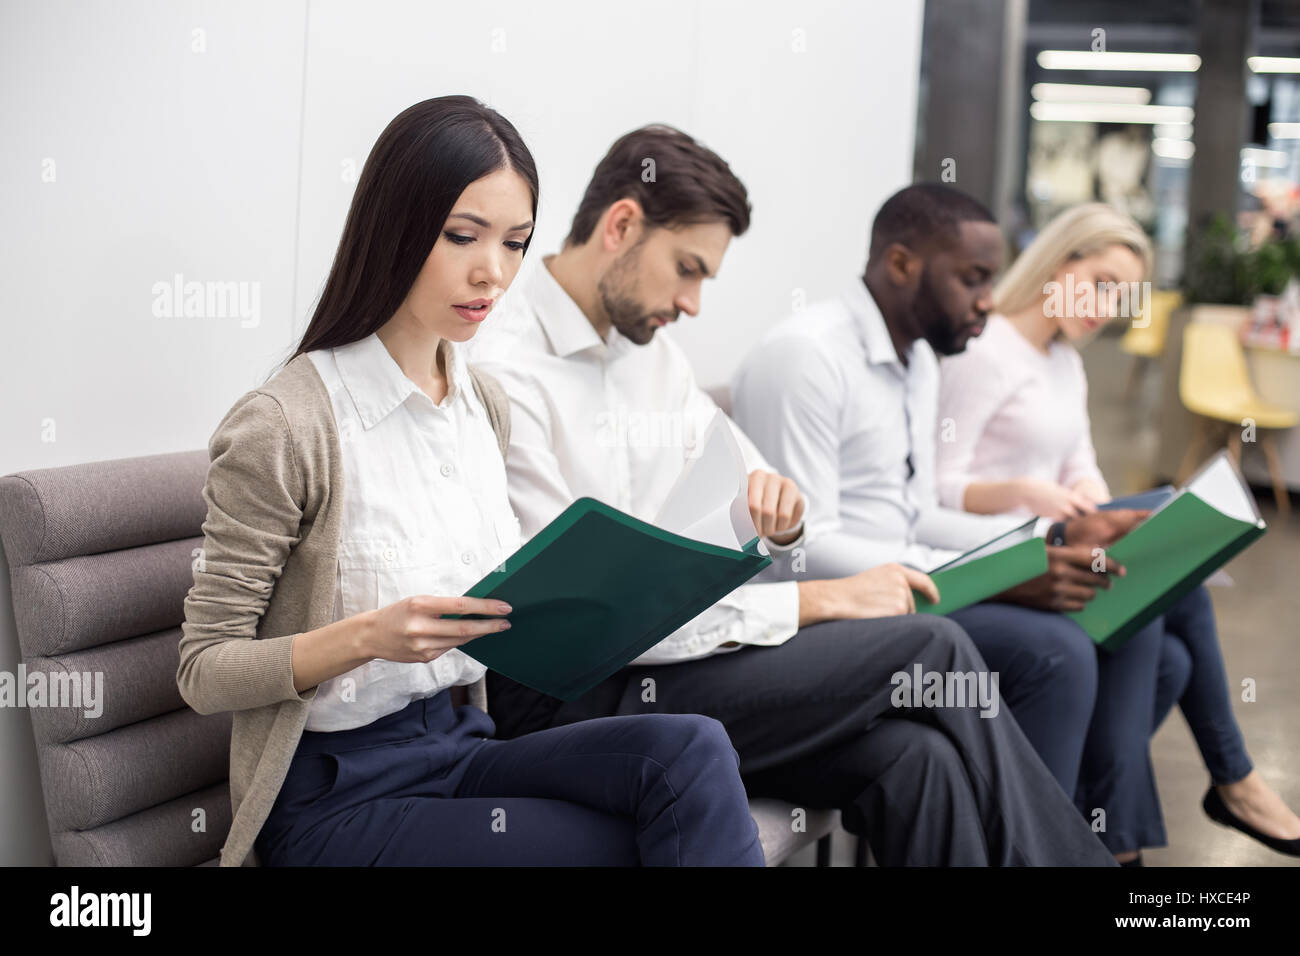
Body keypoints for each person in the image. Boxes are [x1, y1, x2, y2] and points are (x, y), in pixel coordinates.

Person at [467, 125, 1118, 866]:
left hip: (679, 662)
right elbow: (591, 622)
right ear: (620, 226)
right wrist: (818, 601)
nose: (694, 302)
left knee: (917, 761)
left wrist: (776, 512)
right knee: (932, 647)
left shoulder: (653, 358)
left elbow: (767, 500)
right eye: (688, 269)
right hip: (576, 695)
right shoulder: (506, 370)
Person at [177, 96, 765, 867]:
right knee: (639, 844)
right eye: (463, 236)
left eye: (515, 242)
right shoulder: (287, 425)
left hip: (461, 747)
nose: (493, 271)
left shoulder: (480, 403)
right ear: (395, 225)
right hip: (339, 799)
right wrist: (365, 639)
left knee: (691, 750)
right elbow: (202, 670)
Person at [732, 182, 1171, 864]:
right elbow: (794, 551)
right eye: (972, 279)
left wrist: (1047, 541)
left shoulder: (919, 363)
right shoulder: (809, 355)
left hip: (907, 581)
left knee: (1137, 627)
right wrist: (1000, 577)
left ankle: (1089, 844)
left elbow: (918, 513)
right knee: (1057, 652)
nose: (989, 300)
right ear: (903, 264)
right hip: (838, 611)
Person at [934, 201, 1300, 860]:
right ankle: (1219, 787)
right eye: (1102, 283)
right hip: (1003, 563)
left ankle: (1100, 830)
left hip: (1058, 548)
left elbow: (1084, 469)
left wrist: (1108, 513)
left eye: (1122, 295)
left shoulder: (1064, 362)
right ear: (1059, 260)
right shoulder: (984, 352)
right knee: (1169, 609)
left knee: (1171, 646)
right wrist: (1026, 497)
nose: (1108, 306)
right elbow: (932, 486)